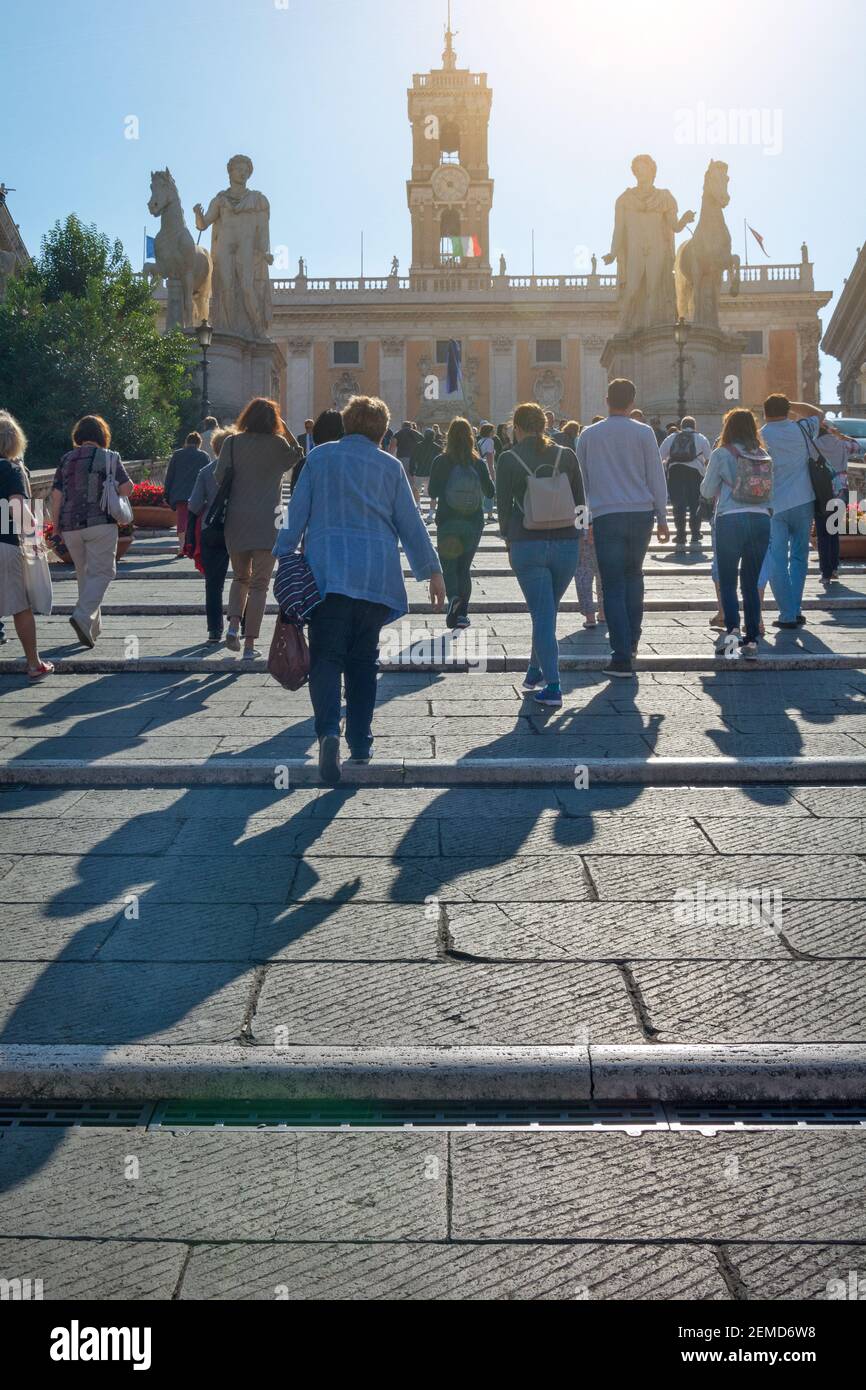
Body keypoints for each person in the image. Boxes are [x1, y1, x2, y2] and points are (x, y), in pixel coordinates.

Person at [275, 395, 445, 785]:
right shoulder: (390, 466)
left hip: (327, 576)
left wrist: (283, 553)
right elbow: (410, 522)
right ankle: (361, 743)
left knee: (326, 658)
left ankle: (329, 732)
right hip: (374, 577)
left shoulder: (319, 459)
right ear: (384, 431)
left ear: (347, 424)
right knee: (364, 663)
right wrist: (432, 571)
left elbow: (295, 512)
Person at [576, 378, 669, 677]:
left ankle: (620, 656)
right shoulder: (644, 433)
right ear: (632, 401)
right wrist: (663, 517)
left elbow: (582, 483)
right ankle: (632, 641)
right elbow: (656, 475)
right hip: (640, 514)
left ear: (607, 400)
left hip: (605, 516)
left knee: (613, 583)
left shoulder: (588, 435)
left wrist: (583, 521)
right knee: (634, 577)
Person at [496, 402, 584, 709]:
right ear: (543, 426)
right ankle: (534, 672)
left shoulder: (508, 459)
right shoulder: (567, 455)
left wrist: (509, 539)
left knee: (543, 614)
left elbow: (503, 508)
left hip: (527, 544)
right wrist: (579, 535)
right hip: (566, 544)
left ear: (517, 428)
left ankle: (554, 686)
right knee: (547, 612)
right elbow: (581, 502)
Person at [213, 397, 302, 660]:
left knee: (240, 577)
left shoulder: (231, 442)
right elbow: (298, 456)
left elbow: (219, 477)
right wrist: (285, 431)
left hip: (236, 520)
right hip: (268, 521)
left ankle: (231, 626)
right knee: (260, 585)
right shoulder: (278, 444)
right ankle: (250, 645)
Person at [51, 414, 133, 649]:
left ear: (79, 435)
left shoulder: (66, 459)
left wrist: (56, 527)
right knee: (104, 572)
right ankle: (81, 615)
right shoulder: (109, 458)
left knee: (85, 575)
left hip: (70, 526)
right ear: (102, 435)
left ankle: (91, 628)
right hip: (100, 522)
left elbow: (56, 495)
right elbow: (126, 488)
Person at [700, 408, 772, 660]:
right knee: (751, 583)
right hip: (761, 520)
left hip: (730, 520)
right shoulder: (762, 454)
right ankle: (752, 640)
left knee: (729, 581)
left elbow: (708, 491)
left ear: (727, 428)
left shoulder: (721, 453)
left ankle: (732, 631)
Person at [762, 393, 823, 629]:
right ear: (788, 411)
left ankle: (787, 613)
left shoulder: (762, 435)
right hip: (804, 500)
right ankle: (795, 609)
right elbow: (818, 413)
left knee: (777, 558)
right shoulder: (802, 429)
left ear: (765, 413)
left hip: (774, 504)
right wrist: (793, 404)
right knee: (799, 557)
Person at [428, 417, 494, 630]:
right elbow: (491, 491)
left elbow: (432, 492)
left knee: (449, 567)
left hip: (447, 521)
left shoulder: (441, 461)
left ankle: (453, 599)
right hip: (473, 522)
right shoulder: (478, 462)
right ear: (470, 438)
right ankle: (462, 614)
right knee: (464, 568)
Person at [0, 410, 53, 679]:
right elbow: (17, 507)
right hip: (4, 543)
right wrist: (36, 530)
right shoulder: (9, 469)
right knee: (20, 606)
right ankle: (34, 664)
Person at [187, 426, 237, 643]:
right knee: (244, 579)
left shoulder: (206, 471)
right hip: (240, 530)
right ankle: (240, 625)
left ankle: (214, 630)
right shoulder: (242, 472)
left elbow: (195, 505)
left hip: (212, 531)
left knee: (213, 584)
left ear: (215, 448)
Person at [813, 422, 859, 584]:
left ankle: (825, 573)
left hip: (821, 491)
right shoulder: (841, 444)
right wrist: (840, 435)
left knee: (822, 533)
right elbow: (857, 446)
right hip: (841, 491)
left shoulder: (813, 444)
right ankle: (833, 569)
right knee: (833, 532)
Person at [660, 415, 712, 554]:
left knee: (678, 505)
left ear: (681, 426)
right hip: (695, 473)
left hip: (675, 472)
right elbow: (709, 458)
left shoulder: (671, 438)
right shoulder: (701, 438)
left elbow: (660, 455)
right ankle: (695, 533)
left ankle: (681, 535)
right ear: (694, 426)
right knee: (695, 504)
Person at [164, 431, 210, 557]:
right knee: (196, 520)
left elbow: (170, 475)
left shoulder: (177, 455)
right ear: (199, 443)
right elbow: (209, 476)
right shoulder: (204, 456)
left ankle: (181, 546)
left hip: (180, 493)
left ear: (186, 442)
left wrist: (166, 493)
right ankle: (194, 547)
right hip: (198, 494)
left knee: (182, 520)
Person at [290, 410, 344, 494]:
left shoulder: (304, 465)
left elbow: (296, 501)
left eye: (310, 427)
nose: (308, 429)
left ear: (316, 431)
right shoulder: (358, 462)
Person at [409, 428, 440, 520]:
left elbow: (413, 459)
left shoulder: (418, 446)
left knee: (416, 491)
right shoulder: (437, 447)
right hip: (432, 473)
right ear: (433, 436)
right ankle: (430, 514)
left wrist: (411, 470)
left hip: (419, 472)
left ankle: (418, 507)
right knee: (433, 494)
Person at [477, 422, 497, 517]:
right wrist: (492, 473)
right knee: (490, 491)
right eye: (493, 431)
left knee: (481, 492)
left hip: (480, 468)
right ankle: (490, 514)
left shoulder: (480, 441)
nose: (494, 432)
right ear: (489, 432)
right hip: (487, 468)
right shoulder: (490, 441)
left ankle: (480, 511)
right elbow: (490, 457)